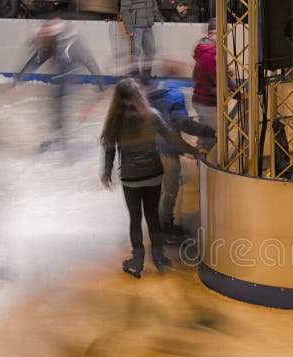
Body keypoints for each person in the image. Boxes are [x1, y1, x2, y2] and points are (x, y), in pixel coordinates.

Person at [100, 79, 206, 278]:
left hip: (131, 178)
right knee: (153, 216)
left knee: (135, 219)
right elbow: (172, 138)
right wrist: (193, 150)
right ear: (139, 97)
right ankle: (159, 258)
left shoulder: (116, 122)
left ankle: (137, 259)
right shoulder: (152, 115)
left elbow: (109, 150)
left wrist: (106, 173)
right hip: (153, 174)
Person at [15, 19, 105, 151]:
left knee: (60, 107)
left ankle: (62, 141)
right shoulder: (50, 44)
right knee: (54, 107)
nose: (42, 42)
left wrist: (101, 84)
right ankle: (58, 137)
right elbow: (35, 61)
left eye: (44, 37)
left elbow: (90, 62)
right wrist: (19, 79)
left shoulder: (72, 44)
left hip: (71, 77)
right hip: (59, 77)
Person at [144, 77, 215, 242]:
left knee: (158, 190)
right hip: (166, 152)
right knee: (170, 191)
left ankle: (159, 224)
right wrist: (210, 132)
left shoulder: (149, 96)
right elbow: (184, 123)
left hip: (148, 150)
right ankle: (165, 229)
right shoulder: (174, 96)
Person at [192, 18, 241, 132]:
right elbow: (219, 78)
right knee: (211, 137)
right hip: (207, 102)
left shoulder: (206, 49)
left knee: (207, 135)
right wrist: (237, 90)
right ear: (211, 34)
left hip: (204, 99)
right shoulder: (210, 54)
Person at [121, 0, 163, 80]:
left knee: (151, 51)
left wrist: (158, 17)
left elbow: (153, 4)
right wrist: (129, 29)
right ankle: (135, 77)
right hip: (136, 26)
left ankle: (146, 76)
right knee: (136, 52)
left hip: (148, 26)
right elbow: (124, 10)